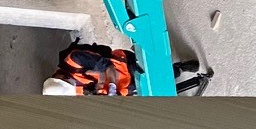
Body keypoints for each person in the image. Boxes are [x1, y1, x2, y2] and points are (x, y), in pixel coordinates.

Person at [40, 42, 210, 96]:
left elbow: (107, 68)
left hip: (123, 66)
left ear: (60, 77)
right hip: (123, 87)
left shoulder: (75, 59)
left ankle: (178, 69)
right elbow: (84, 92)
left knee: (156, 76)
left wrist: (108, 87)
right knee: (148, 89)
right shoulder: (71, 87)